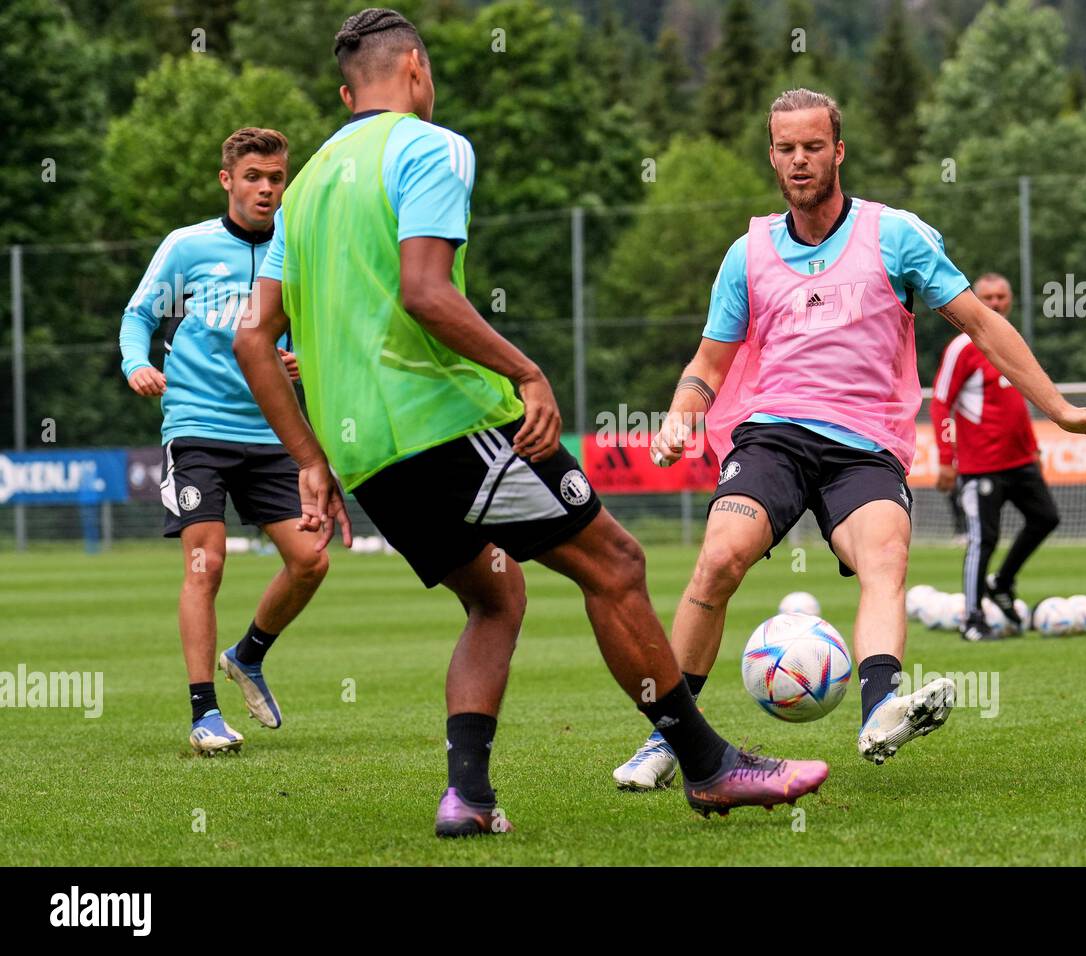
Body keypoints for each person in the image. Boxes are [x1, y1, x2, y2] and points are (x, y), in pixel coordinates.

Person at [233, 7, 827, 837]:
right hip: (448, 421)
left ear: (347, 91)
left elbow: (252, 337)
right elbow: (425, 292)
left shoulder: (302, 190)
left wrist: (308, 458)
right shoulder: (430, 147)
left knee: (497, 594)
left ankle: (468, 799)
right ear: (416, 70)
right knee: (615, 564)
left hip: (366, 456)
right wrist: (525, 371)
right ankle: (709, 767)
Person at [612, 89, 1086, 790]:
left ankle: (881, 708)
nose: (799, 160)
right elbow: (708, 362)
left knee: (885, 555)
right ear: (772, 156)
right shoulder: (748, 253)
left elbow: (981, 325)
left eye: (813, 146)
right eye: (786, 148)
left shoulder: (896, 235)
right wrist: (682, 413)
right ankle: (668, 739)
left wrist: (1060, 410)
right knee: (719, 559)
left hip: (865, 446)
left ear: (839, 151)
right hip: (773, 436)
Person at [120, 128, 328, 755]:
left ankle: (249, 654)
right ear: (227, 180)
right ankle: (204, 713)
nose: (266, 188)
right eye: (254, 177)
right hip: (197, 427)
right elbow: (139, 315)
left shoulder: (298, 249)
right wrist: (137, 363)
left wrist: (299, 357)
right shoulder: (188, 246)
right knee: (205, 564)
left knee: (311, 561)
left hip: (271, 431)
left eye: (276, 178)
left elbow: (307, 329)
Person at [931, 273, 1062, 641]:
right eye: (987, 296)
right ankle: (972, 620)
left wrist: (1033, 448)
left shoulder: (1012, 340)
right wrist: (946, 458)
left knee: (1046, 518)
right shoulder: (963, 345)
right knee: (983, 539)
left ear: (1011, 299)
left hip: (1020, 461)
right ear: (975, 299)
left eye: (1001, 296)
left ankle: (1001, 582)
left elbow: (1019, 400)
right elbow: (941, 402)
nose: (995, 303)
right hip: (981, 466)